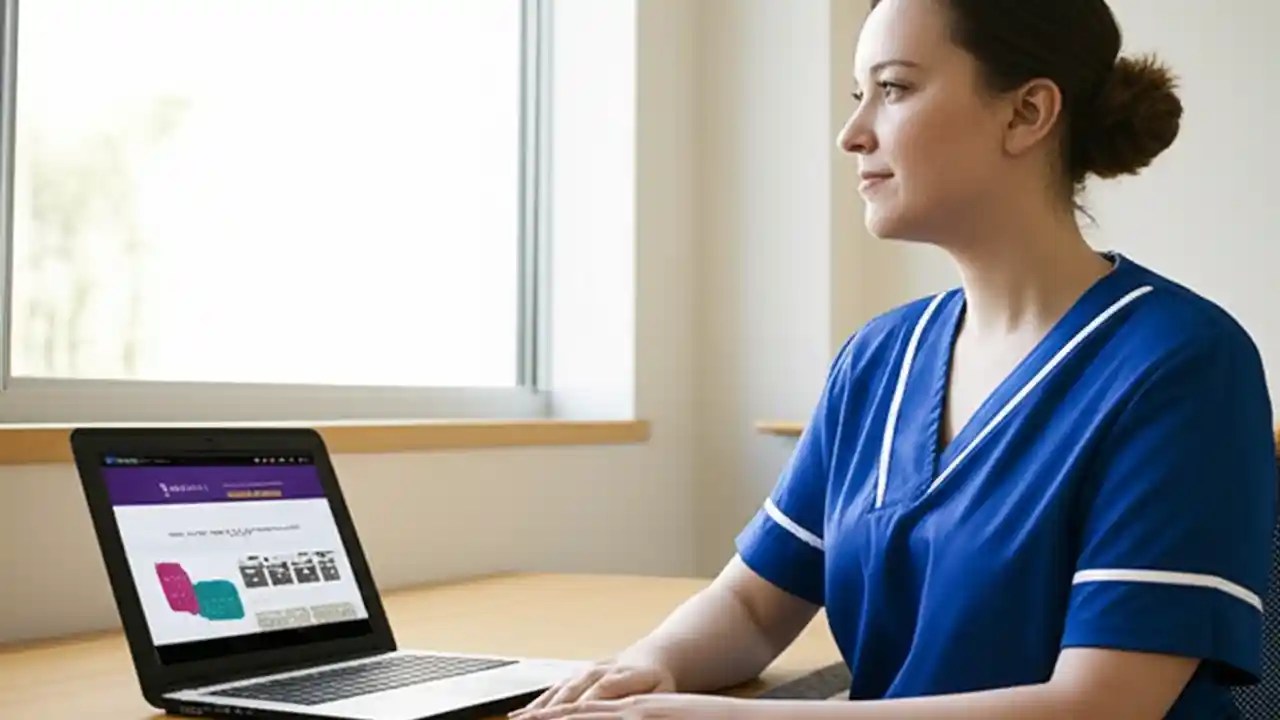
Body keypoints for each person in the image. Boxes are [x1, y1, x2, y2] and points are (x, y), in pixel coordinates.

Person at [511, 0, 1278, 717]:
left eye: (894, 90)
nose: (853, 133)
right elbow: (751, 606)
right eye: (858, 95)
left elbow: (1103, 704)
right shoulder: (877, 359)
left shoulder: (1182, 365)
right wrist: (646, 670)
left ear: (1026, 113)